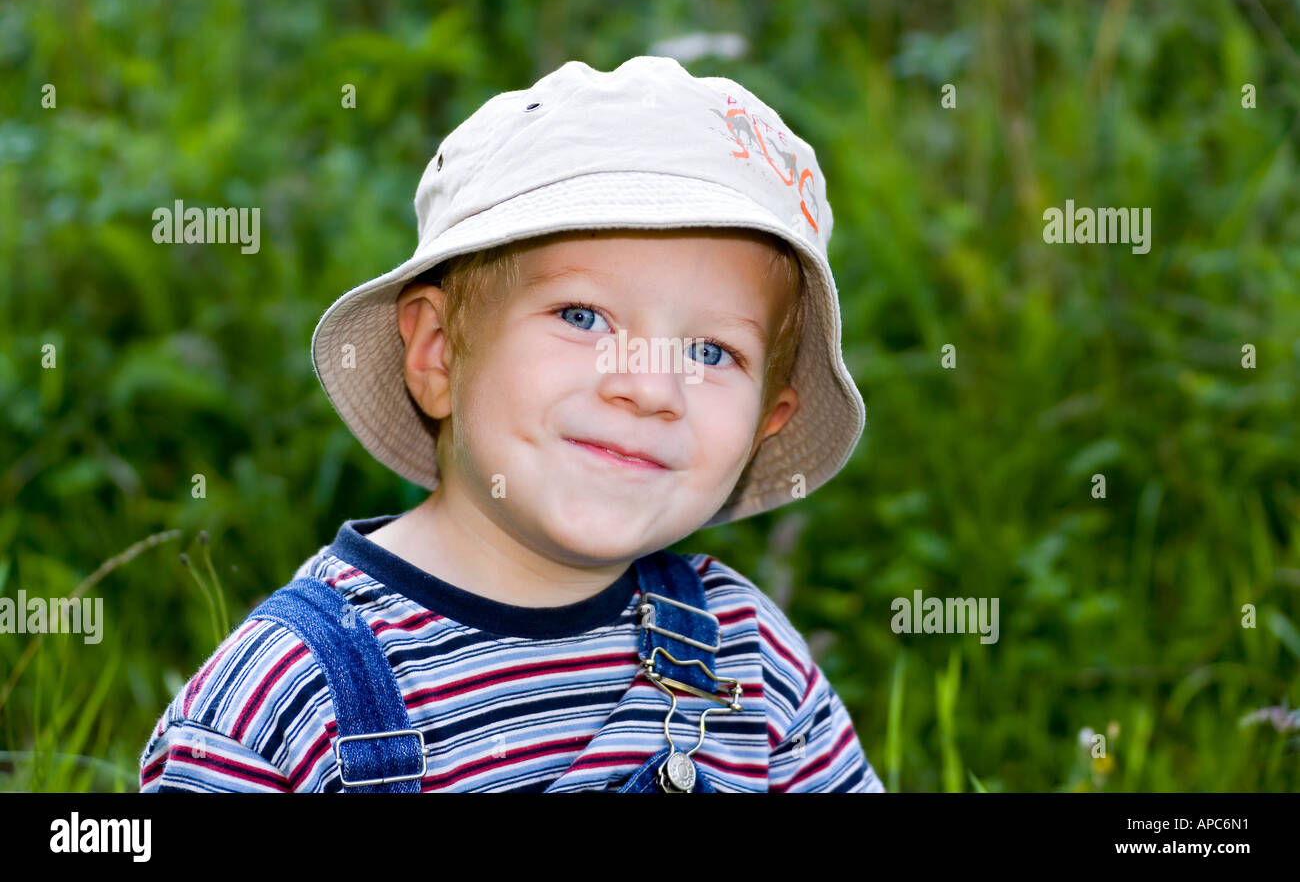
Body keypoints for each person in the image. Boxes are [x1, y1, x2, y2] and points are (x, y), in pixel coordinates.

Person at [139, 55, 883, 792]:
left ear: (767, 424)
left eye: (711, 351)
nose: (651, 386)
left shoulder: (749, 665)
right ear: (437, 354)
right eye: (583, 316)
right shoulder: (291, 701)